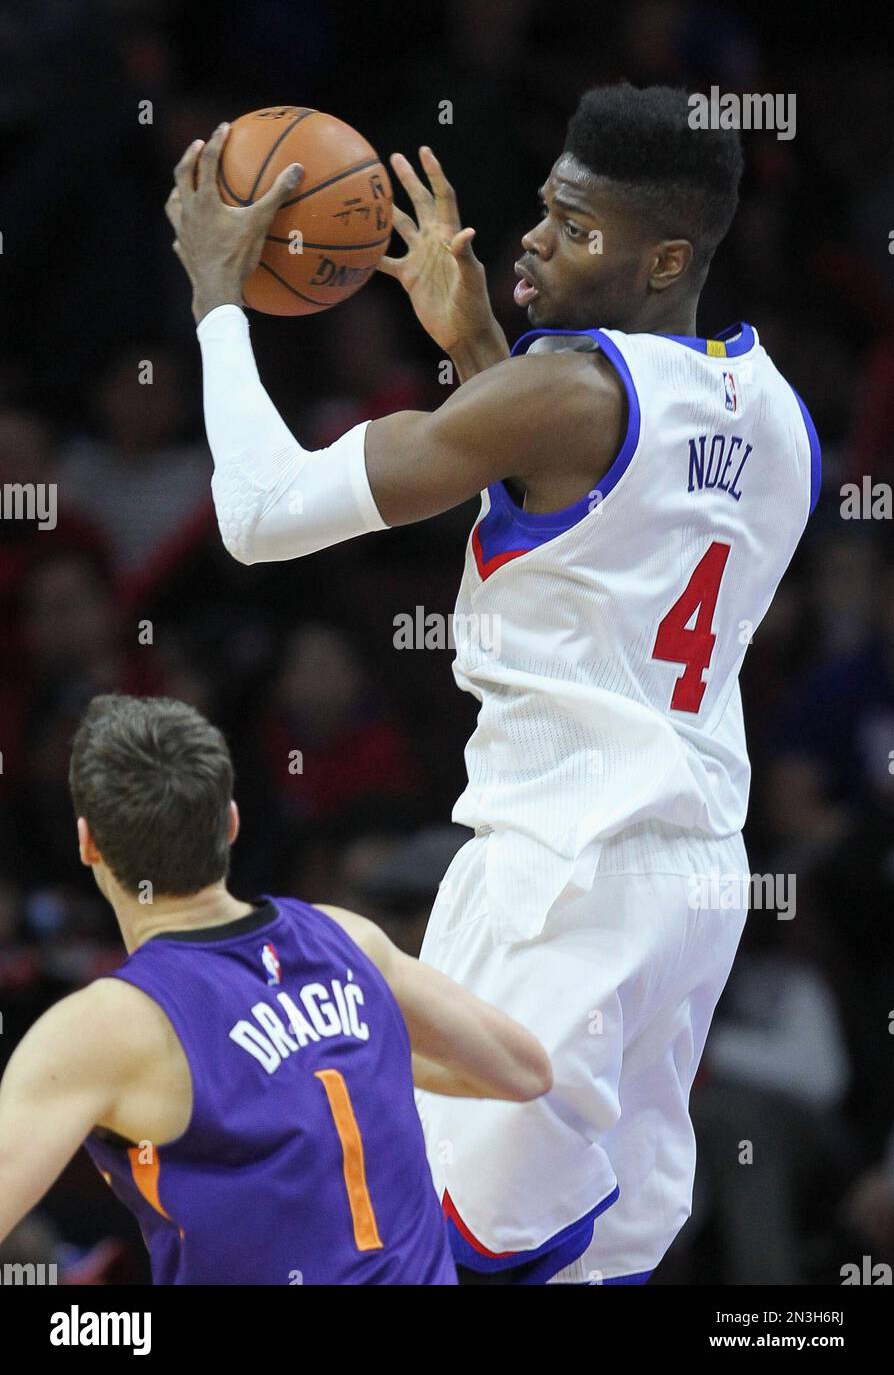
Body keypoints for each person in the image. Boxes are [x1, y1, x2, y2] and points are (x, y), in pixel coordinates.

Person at [166, 82, 821, 1284]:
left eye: (578, 229)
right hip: (692, 880)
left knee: (438, 1252)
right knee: (594, 1262)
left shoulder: (564, 390)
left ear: (667, 255)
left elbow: (259, 516)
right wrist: (476, 354)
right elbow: (597, 532)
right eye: (545, 210)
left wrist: (217, 294)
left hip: (560, 861)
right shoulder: (781, 416)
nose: (532, 239)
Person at [0, 694, 551, 1285]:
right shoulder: (347, 938)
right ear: (230, 823)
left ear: (88, 843)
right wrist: (347, 1051)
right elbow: (524, 1070)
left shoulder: (103, 1029)